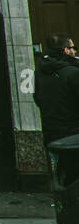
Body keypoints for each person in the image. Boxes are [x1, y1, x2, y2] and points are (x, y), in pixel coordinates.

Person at [34, 33, 79, 175]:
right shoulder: (73, 73)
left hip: (51, 134)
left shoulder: (38, 73)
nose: (75, 51)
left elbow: (38, 99)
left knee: (61, 174)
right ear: (66, 50)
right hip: (74, 134)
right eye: (73, 48)